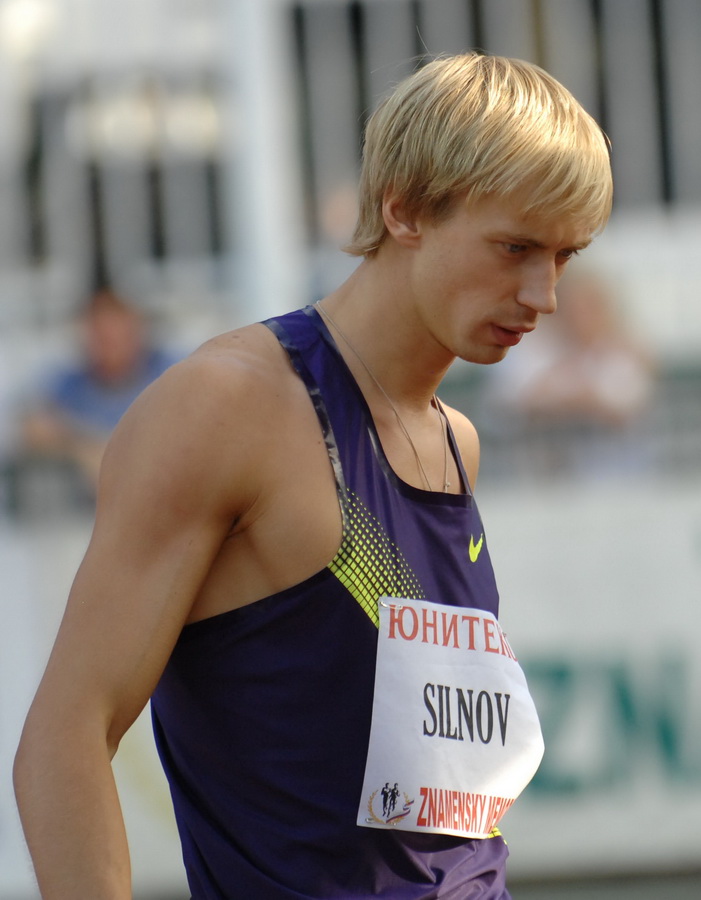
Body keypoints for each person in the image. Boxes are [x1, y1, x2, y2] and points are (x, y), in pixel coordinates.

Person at [13, 53, 613, 899]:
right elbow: (65, 736)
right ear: (402, 210)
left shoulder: (456, 442)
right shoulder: (226, 406)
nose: (543, 294)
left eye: (563, 255)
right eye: (514, 247)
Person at [19, 288, 176, 494]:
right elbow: (34, 428)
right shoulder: (71, 383)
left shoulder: (168, 371)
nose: (109, 345)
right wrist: (83, 447)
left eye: (117, 336)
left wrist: (112, 456)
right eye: (101, 337)